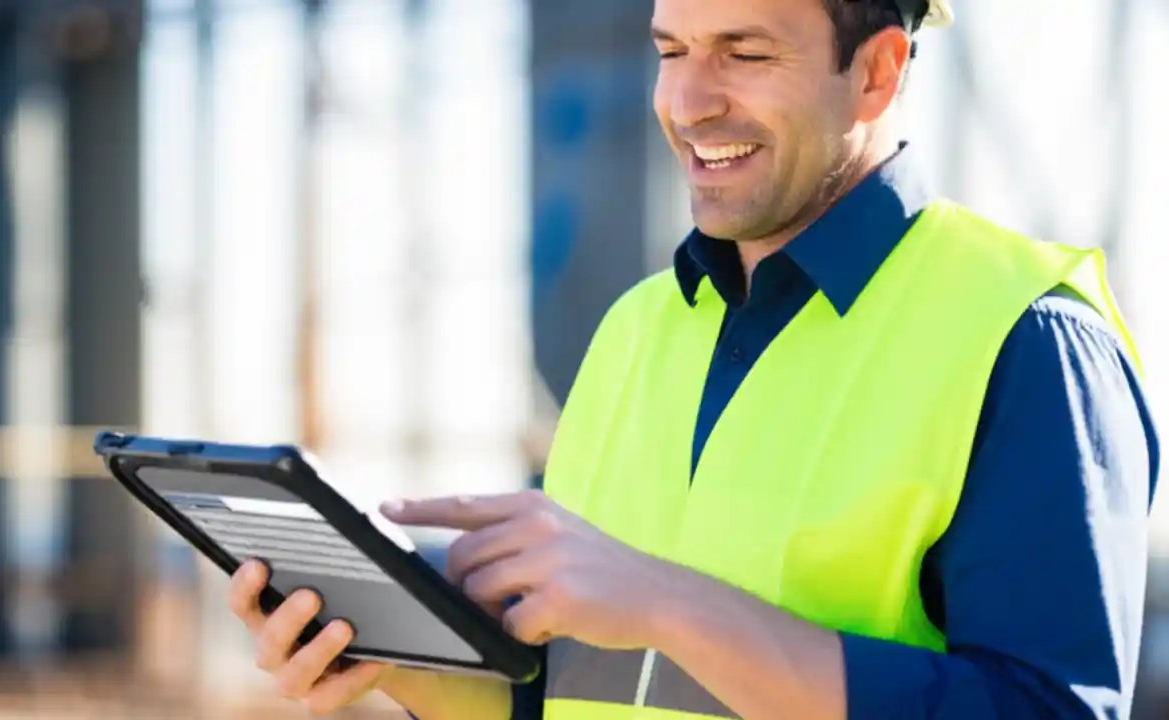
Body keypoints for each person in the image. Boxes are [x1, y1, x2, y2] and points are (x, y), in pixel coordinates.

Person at [227, 0, 1160, 717]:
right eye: (670, 50)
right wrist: (400, 662)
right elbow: (594, 694)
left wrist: (673, 604)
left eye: (745, 53)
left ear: (876, 71)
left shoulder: (1024, 337)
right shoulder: (639, 329)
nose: (687, 100)